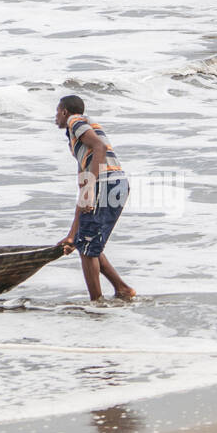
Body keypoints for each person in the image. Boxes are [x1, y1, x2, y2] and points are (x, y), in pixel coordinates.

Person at [55, 94, 135, 302]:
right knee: (88, 243)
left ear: (64, 112)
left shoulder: (75, 121)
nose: (55, 117)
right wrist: (72, 234)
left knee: (88, 248)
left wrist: (91, 185)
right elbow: (82, 189)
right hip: (114, 184)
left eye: (57, 112)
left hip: (106, 184)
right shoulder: (79, 147)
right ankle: (122, 289)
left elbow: (99, 147)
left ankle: (96, 303)